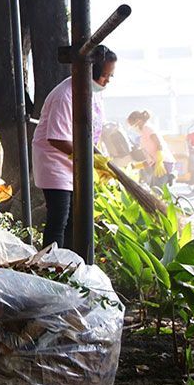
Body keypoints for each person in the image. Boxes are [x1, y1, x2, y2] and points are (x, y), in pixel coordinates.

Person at [32, 45, 118, 250]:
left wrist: (98, 158)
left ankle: (70, 265)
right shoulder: (65, 95)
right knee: (59, 219)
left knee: (75, 220)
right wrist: (90, 159)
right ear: (91, 71)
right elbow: (56, 138)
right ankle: (52, 267)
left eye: (110, 76)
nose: (107, 81)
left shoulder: (93, 93)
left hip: (76, 162)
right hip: (55, 163)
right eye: (105, 75)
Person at [128, 110, 176, 188]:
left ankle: (170, 176)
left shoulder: (147, 128)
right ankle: (170, 177)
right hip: (156, 165)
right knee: (153, 188)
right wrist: (135, 167)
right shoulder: (142, 134)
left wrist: (160, 161)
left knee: (156, 191)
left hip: (164, 163)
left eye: (132, 125)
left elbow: (159, 144)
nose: (133, 128)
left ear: (138, 121)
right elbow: (150, 160)